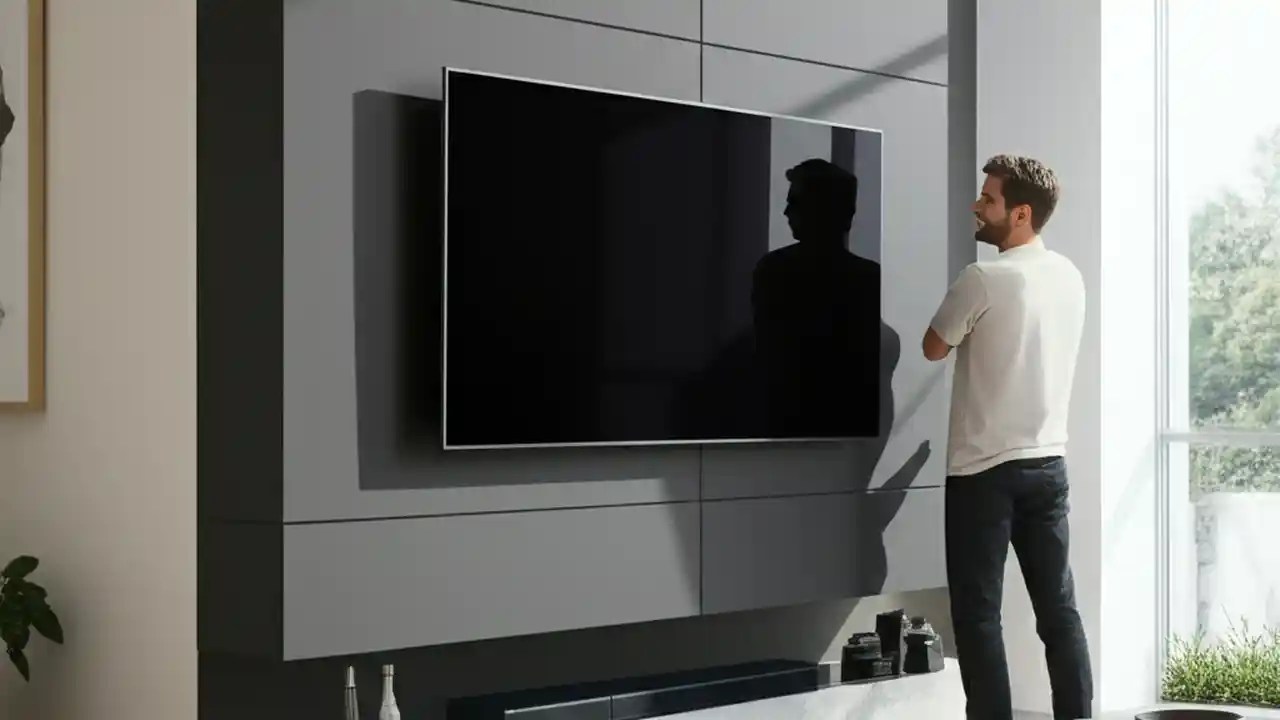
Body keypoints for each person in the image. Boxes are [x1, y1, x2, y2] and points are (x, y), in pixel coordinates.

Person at [922, 154, 1092, 720]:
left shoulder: (983, 278)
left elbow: (932, 345)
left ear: (1020, 214)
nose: (977, 205)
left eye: (988, 199)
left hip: (982, 475)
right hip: (1049, 467)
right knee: (1059, 612)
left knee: (977, 616)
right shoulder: (1069, 275)